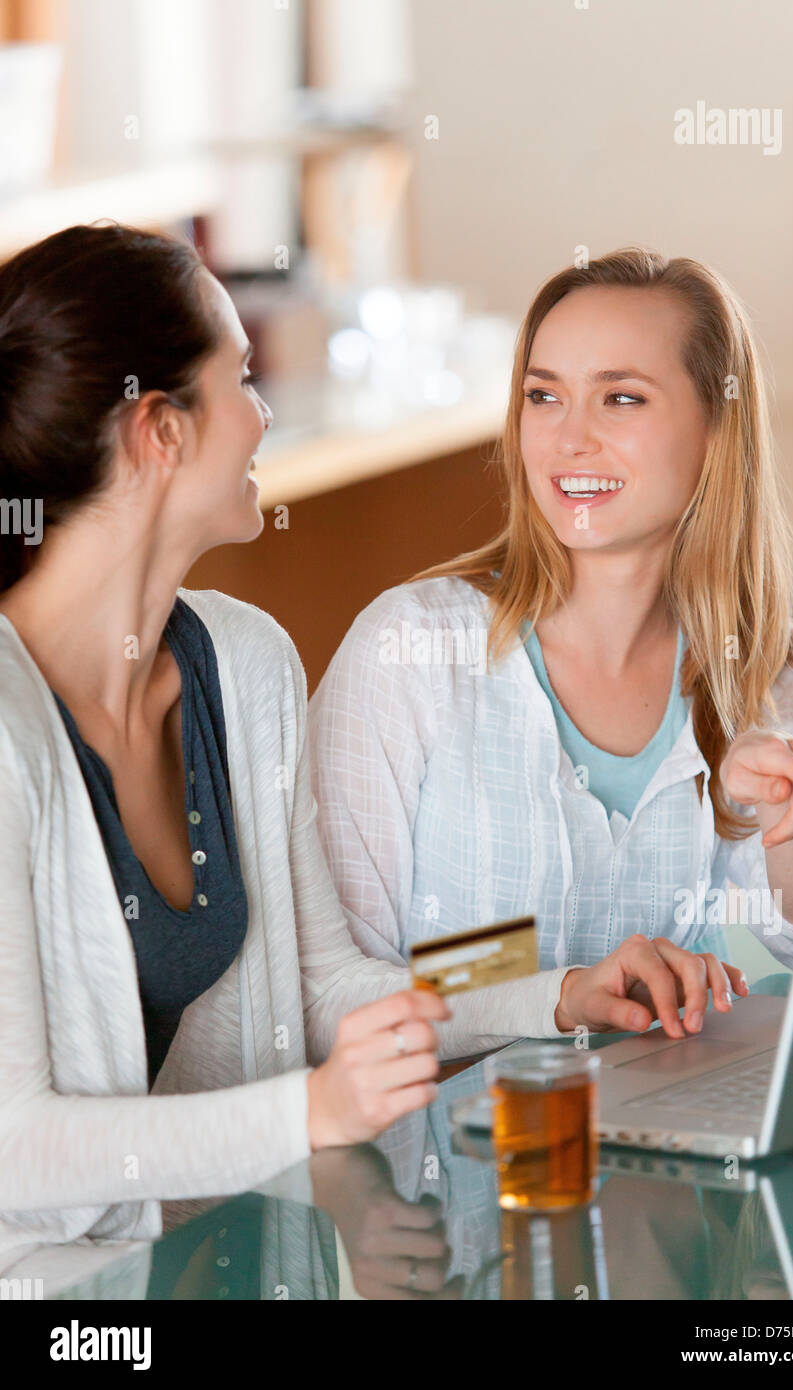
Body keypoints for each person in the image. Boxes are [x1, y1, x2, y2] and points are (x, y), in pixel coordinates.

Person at [0, 222, 584, 1249]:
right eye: (240, 379)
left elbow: (324, 986)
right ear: (159, 430)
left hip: (203, 1264)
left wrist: (560, 992)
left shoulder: (247, 663)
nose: (264, 412)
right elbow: (15, 1145)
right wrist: (310, 1112)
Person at [308, 246, 793, 1034]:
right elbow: (329, 997)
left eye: (622, 399)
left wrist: (789, 839)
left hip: (662, 1142)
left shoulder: (769, 676)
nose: (569, 440)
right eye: (543, 396)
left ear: (716, 429)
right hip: (438, 1145)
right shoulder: (410, 651)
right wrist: (559, 991)